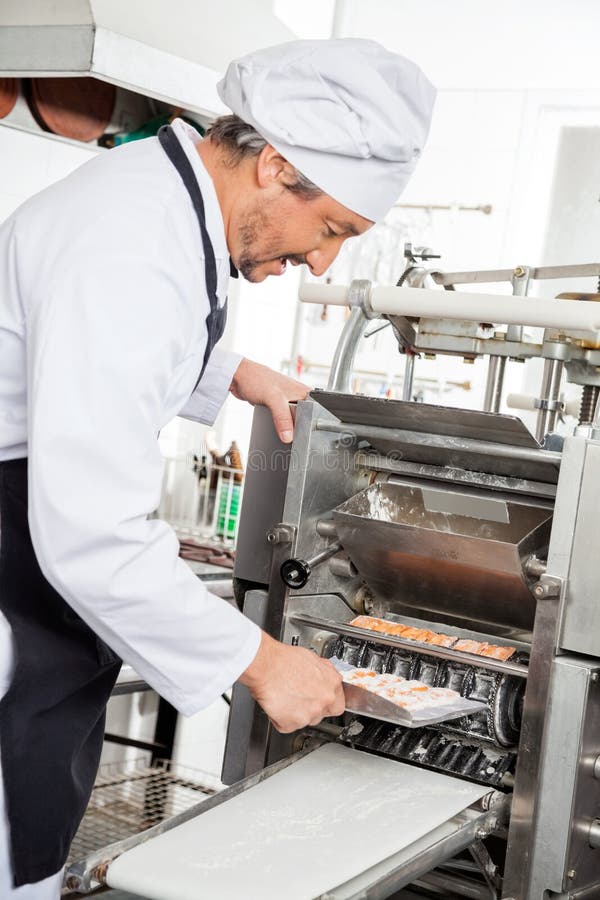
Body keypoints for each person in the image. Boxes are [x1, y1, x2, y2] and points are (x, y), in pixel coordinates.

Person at [0, 37, 435, 898]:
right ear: (276, 165)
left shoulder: (161, 197)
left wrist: (231, 372)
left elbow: (94, 344)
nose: (323, 261)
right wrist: (263, 663)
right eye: (332, 230)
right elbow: (92, 536)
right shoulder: (132, 247)